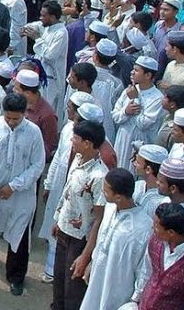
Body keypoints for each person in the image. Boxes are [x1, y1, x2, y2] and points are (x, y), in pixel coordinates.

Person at [0, 93, 44, 297]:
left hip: (20, 195)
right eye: (8, 118)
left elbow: (37, 165)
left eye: (16, 118)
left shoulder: (33, 132)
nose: (11, 122)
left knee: (18, 235)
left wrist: (14, 186)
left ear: (23, 114)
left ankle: (16, 277)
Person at [52, 119, 108, 310]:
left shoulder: (99, 176)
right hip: (64, 232)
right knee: (58, 284)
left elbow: (99, 219)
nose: (71, 141)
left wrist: (85, 255)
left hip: (80, 241)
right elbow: (67, 193)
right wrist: (58, 219)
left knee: (73, 291)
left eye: (75, 138)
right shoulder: (77, 160)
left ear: (88, 143)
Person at [79, 167, 153, 310]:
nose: (103, 193)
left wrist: (136, 299)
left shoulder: (143, 228)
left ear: (118, 197)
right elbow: (101, 244)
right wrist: (92, 264)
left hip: (119, 291)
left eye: (106, 191)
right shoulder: (110, 209)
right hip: (97, 280)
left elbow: (143, 268)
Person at [129, 202, 184, 310]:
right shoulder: (155, 241)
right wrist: (136, 298)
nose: (152, 227)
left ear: (171, 232)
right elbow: (146, 270)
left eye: (156, 226)